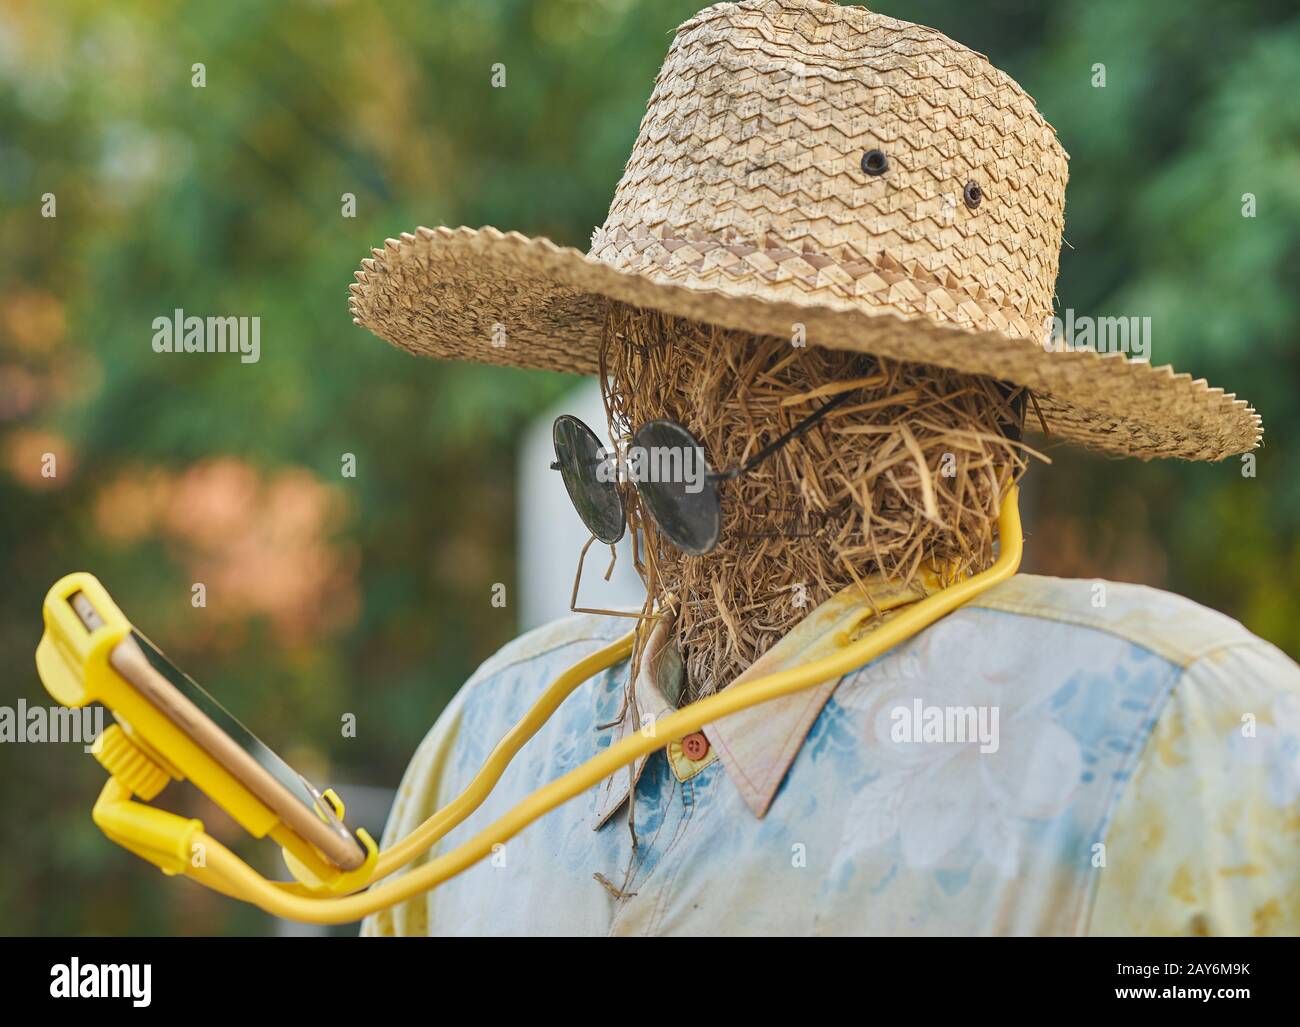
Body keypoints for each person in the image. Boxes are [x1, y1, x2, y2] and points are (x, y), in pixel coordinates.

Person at [349, 0, 1298, 936]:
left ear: (962, 426)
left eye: (791, 366)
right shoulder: (497, 730)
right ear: (625, 356)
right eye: (672, 347)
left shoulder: (1162, 731)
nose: (655, 458)